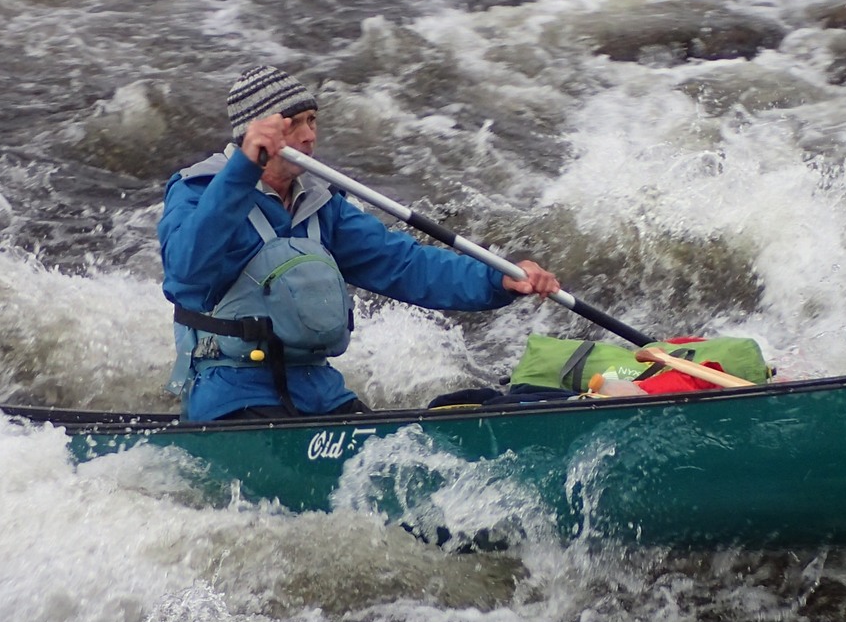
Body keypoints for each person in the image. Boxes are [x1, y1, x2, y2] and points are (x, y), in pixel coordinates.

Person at [159, 66, 559, 422]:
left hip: (317, 388)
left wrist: (499, 280)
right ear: (254, 133)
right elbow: (185, 274)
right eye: (293, 124)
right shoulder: (198, 191)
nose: (309, 135)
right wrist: (242, 172)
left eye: (312, 120)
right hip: (231, 390)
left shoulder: (321, 203)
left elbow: (406, 265)